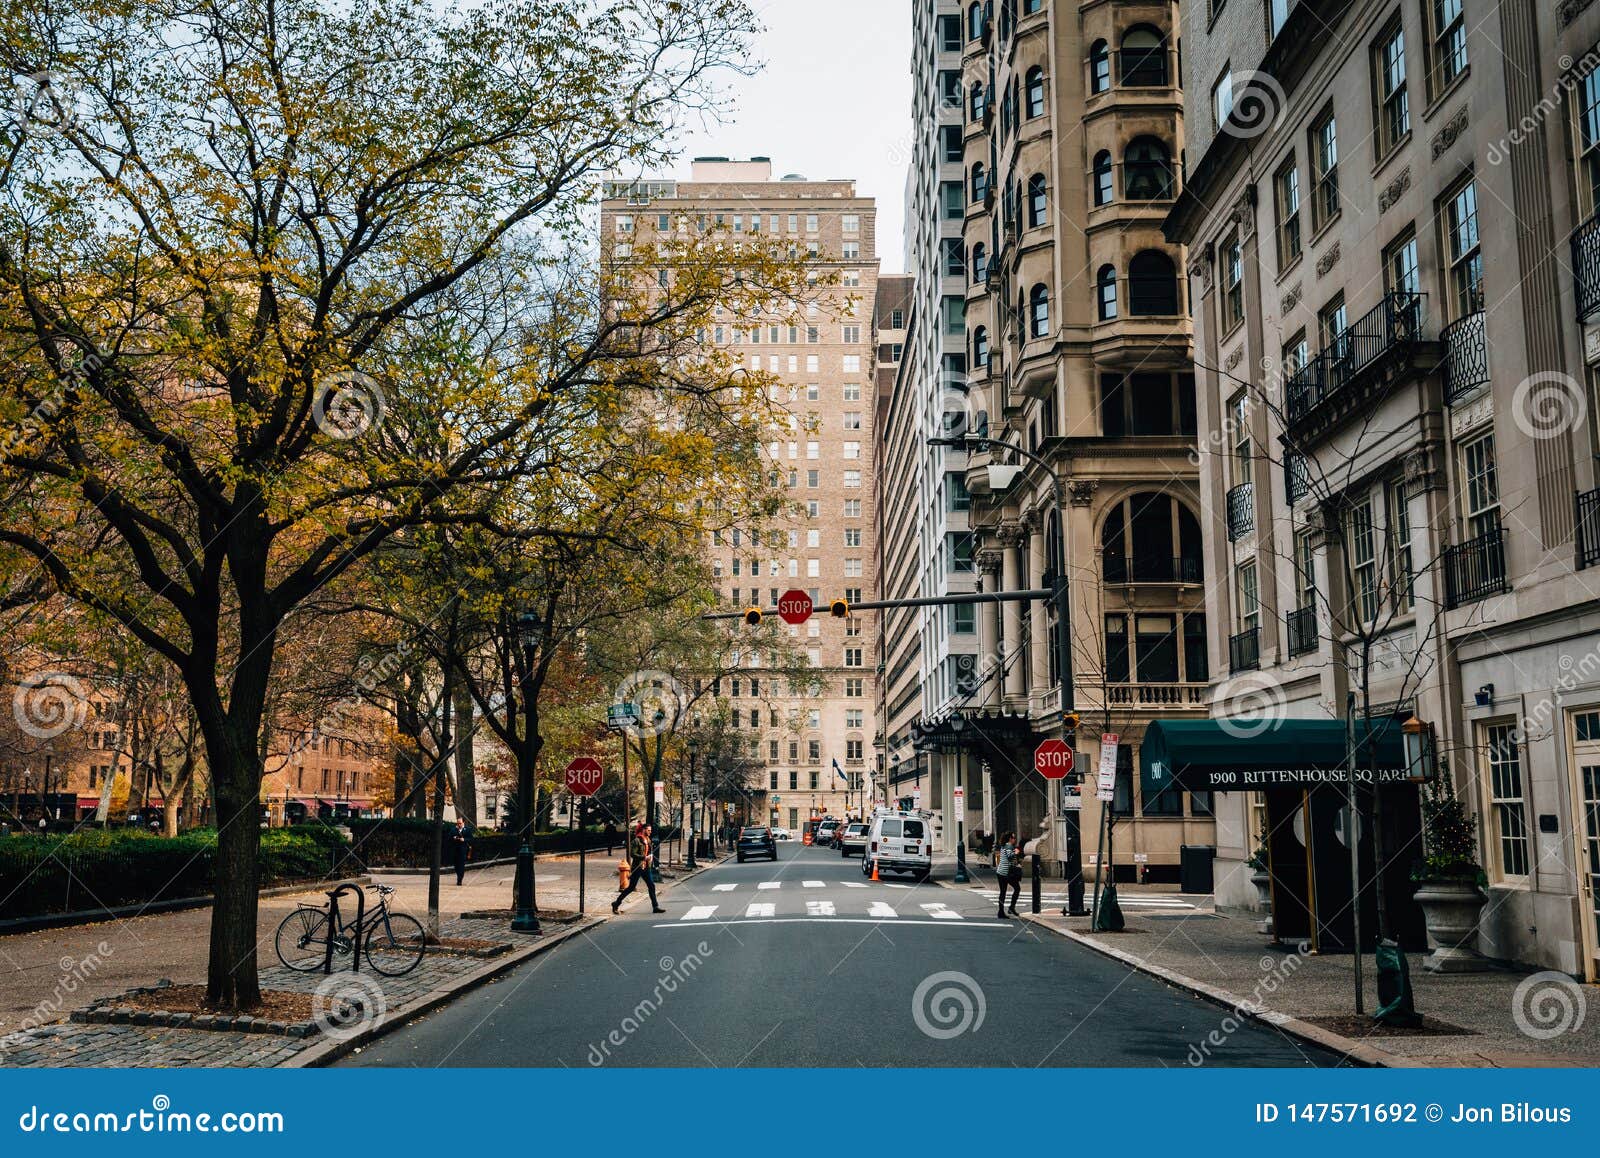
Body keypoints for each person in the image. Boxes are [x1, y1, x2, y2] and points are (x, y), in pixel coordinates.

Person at [612, 822, 665, 914]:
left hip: (646, 867)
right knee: (631, 888)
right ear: (644, 830)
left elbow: (648, 852)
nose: (650, 832)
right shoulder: (636, 840)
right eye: (648, 830)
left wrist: (650, 857)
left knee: (651, 886)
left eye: (651, 830)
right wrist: (644, 857)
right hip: (638, 867)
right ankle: (616, 903)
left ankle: (655, 907)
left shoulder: (648, 840)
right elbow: (632, 854)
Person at [995, 831, 1020, 918]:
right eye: (1013, 838)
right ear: (1010, 839)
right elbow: (1009, 856)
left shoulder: (1004, 846)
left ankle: (1001, 912)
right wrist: (1016, 852)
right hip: (1006, 873)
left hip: (1000, 872)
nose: (1015, 839)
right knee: (1017, 889)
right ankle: (1011, 907)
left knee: (1003, 892)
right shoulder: (1009, 845)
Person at [451, 817, 472, 886]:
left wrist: (464, 839)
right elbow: (449, 837)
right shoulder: (454, 829)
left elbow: (471, 839)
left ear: (463, 823)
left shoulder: (468, 829)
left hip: (463, 850)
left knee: (461, 865)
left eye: (460, 823)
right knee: (456, 865)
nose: (459, 824)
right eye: (458, 823)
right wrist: (454, 838)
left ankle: (459, 879)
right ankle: (458, 875)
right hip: (455, 850)